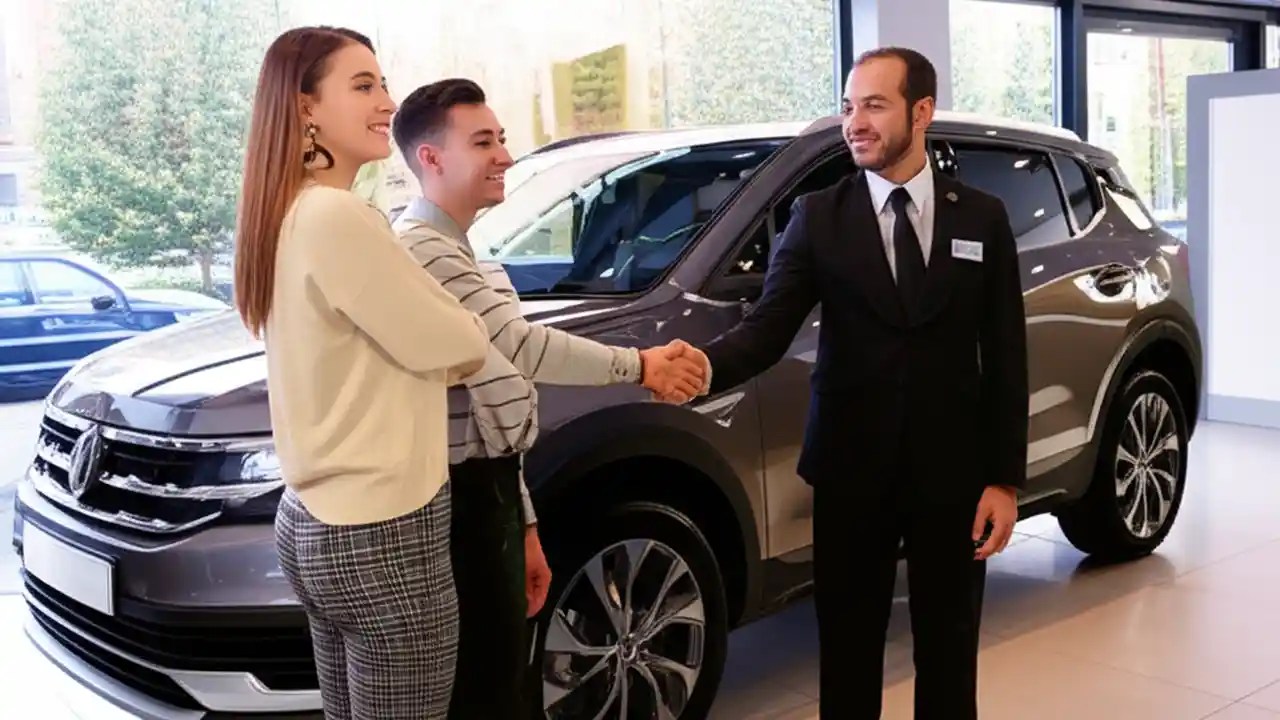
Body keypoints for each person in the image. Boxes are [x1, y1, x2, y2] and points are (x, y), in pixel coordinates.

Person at [671, 47, 1028, 719]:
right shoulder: (818, 216)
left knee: (949, 650)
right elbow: (765, 330)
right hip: (850, 468)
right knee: (849, 650)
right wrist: (699, 366)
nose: (853, 122)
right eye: (847, 106)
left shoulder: (981, 217)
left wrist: (1004, 479)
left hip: (952, 471)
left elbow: (1006, 352)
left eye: (873, 105)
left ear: (921, 112)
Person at [389, 77, 706, 720]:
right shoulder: (421, 251)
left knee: (501, 672)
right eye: (483, 141)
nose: (504, 155)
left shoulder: (464, 254)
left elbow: (498, 404)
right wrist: (641, 364)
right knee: (482, 686)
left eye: (502, 138)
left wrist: (525, 522)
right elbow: (518, 348)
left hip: (493, 491)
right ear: (431, 158)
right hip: (457, 499)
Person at [233, 27, 492, 720]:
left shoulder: (284, 212)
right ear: (305, 107)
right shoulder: (339, 218)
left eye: (382, 82)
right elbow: (461, 342)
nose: (387, 101)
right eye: (363, 85)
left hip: (316, 521)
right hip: (382, 532)